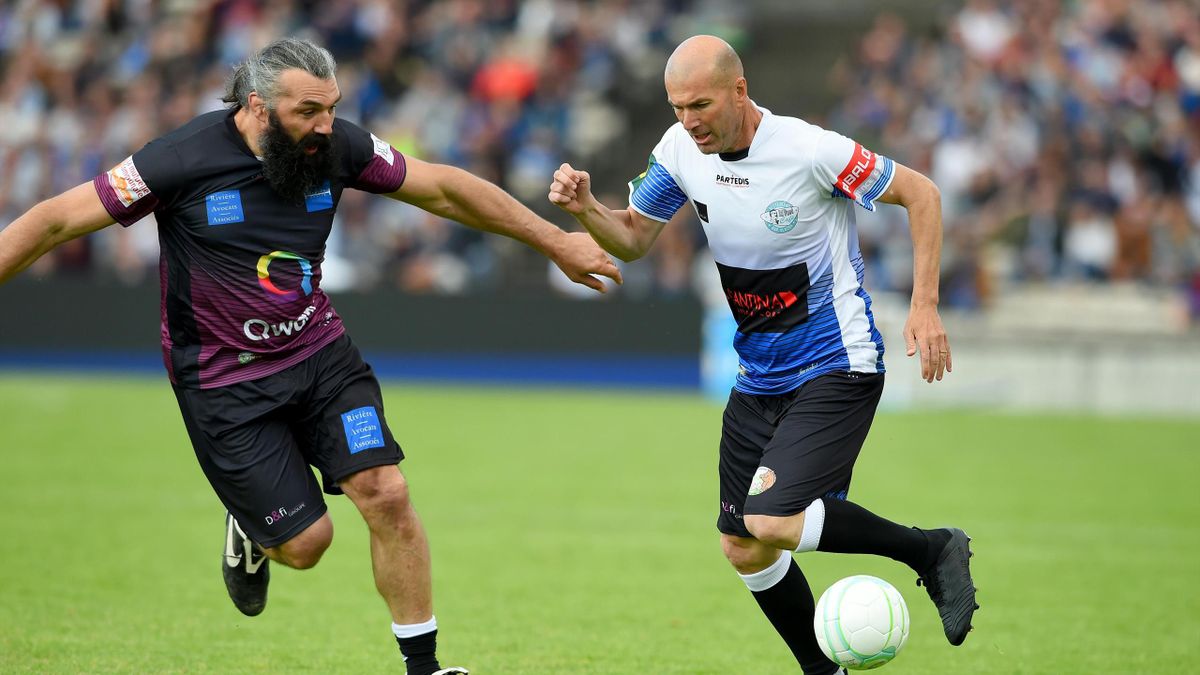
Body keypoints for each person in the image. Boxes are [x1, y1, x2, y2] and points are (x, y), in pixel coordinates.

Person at [0, 37, 622, 675]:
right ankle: (252, 524)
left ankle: (426, 670)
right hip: (223, 381)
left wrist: (555, 242)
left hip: (319, 354)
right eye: (308, 112)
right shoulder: (178, 160)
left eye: (332, 108)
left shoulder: (338, 146)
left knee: (387, 492)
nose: (326, 126)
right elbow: (53, 221)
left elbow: (442, 189)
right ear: (257, 108)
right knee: (305, 546)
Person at [549, 35, 977, 674]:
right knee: (742, 545)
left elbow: (923, 195)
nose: (689, 121)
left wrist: (924, 303)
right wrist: (586, 209)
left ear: (740, 91)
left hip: (838, 362)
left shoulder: (810, 150)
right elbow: (634, 239)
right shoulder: (680, 151)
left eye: (700, 104)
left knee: (771, 520)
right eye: (677, 107)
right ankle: (822, 670)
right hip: (760, 375)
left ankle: (930, 549)